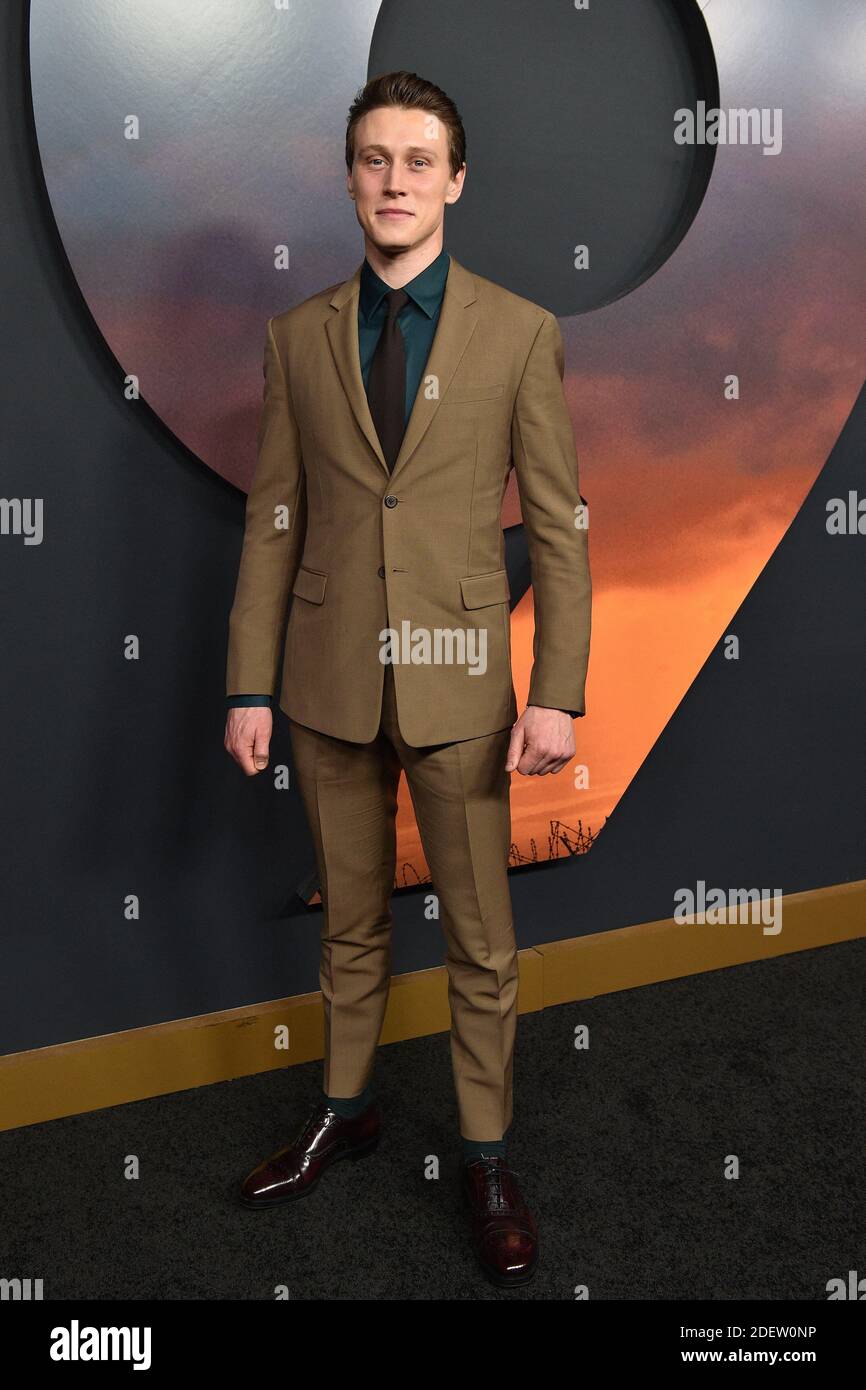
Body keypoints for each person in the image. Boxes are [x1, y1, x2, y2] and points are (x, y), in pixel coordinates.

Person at [224, 70, 591, 1288]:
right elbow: (273, 522)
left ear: (455, 181)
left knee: (481, 941)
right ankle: (347, 1109)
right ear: (347, 175)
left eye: (417, 161)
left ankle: (485, 1156)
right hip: (325, 685)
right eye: (374, 159)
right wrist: (248, 686)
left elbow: (559, 523)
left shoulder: (518, 331)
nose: (394, 180)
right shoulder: (296, 338)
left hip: (460, 687)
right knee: (348, 921)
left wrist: (555, 688)